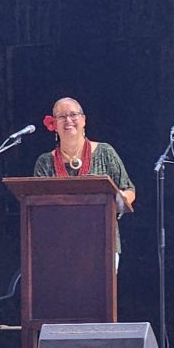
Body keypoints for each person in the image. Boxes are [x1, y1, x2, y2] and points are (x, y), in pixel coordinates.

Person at [34, 97, 135, 260]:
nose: (68, 120)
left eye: (73, 114)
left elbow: (128, 189)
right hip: (58, 242)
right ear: (54, 124)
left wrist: (119, 199)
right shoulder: (44, 162)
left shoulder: (105, 152)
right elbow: (37, 205)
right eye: (61, 116)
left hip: (102, 239)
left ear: (83, 120)